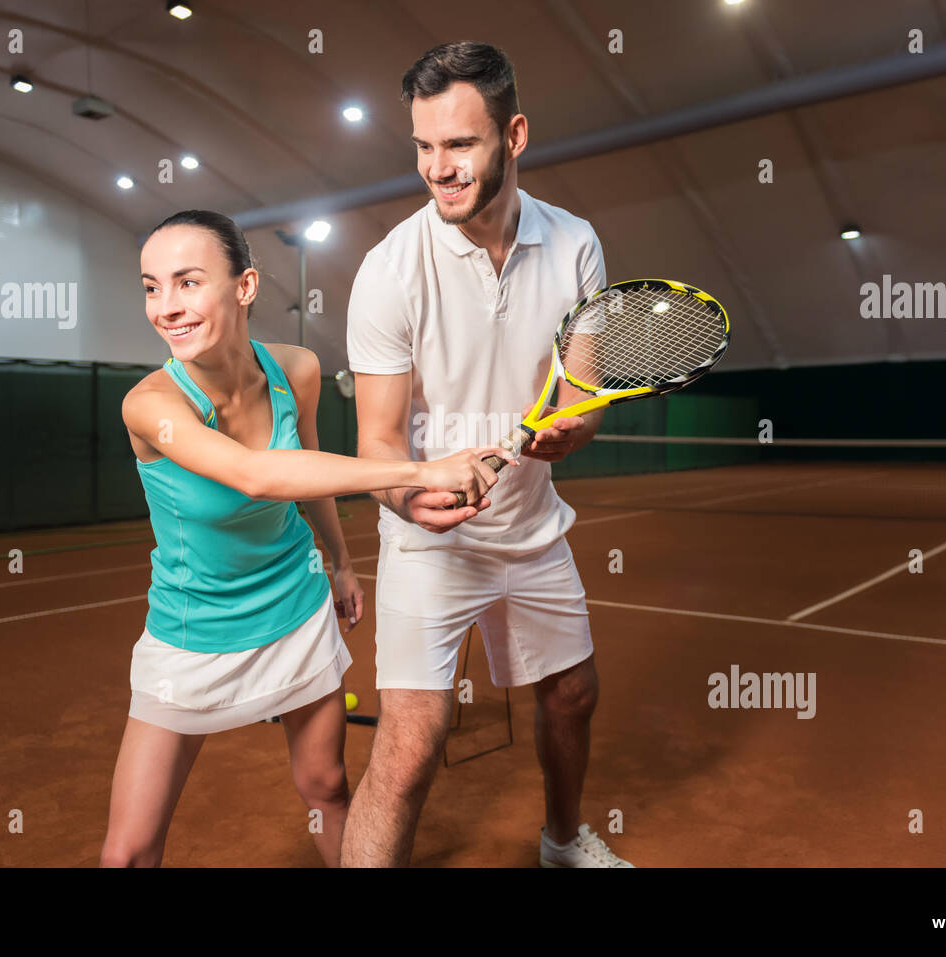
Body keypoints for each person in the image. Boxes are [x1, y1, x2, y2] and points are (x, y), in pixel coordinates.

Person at [100, 209, 514, 867]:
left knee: (327, 786)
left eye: (186, 282)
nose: (166, 306)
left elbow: (307, 470)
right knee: (128, 851)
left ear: (244, 286)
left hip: (296, 605)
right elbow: (257, 474)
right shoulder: (151, 405)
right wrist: (419, 468)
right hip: (190, 631)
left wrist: (341, 562)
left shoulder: (296, 368)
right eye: (152, 286)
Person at [341, 43, 633, 867]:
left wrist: (574, 428)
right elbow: (379, 443)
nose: (439, 168)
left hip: (533, 527)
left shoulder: (576, 244)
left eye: (460, 145)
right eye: (424, 147)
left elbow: (580, 396)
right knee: (410, 740)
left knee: (573, 693)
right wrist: (408, 496)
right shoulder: (388, 270)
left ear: (514, 134)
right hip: (429, 541)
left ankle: (563, 840)